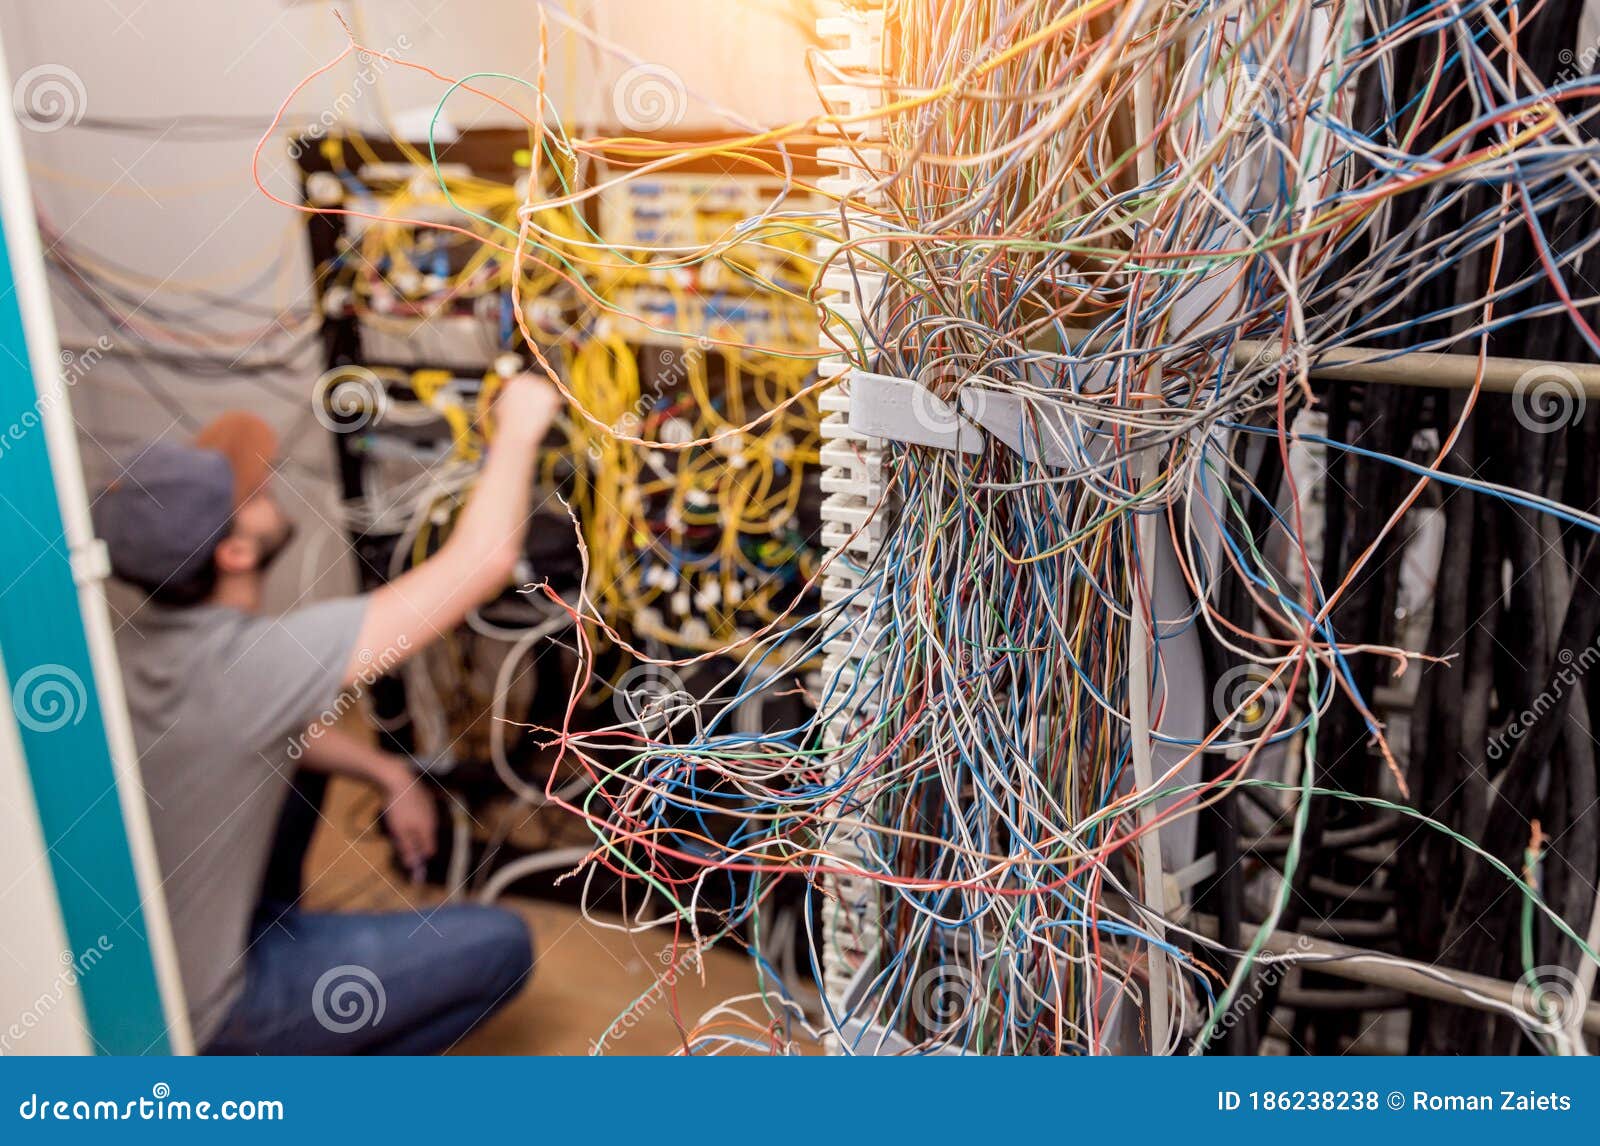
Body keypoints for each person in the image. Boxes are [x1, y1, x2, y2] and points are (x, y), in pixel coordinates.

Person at [91, 375, 563, 1054]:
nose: (269, 490)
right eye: (252, 496)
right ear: (235, 552)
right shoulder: (250, 668)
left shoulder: (133, 644)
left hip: (155, 968)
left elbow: (261, 730)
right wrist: (517, 427)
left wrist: (384, 770)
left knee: (296, 764)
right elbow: (480, 564)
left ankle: (274, 934)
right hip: (209, 1022)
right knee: (500, 944)